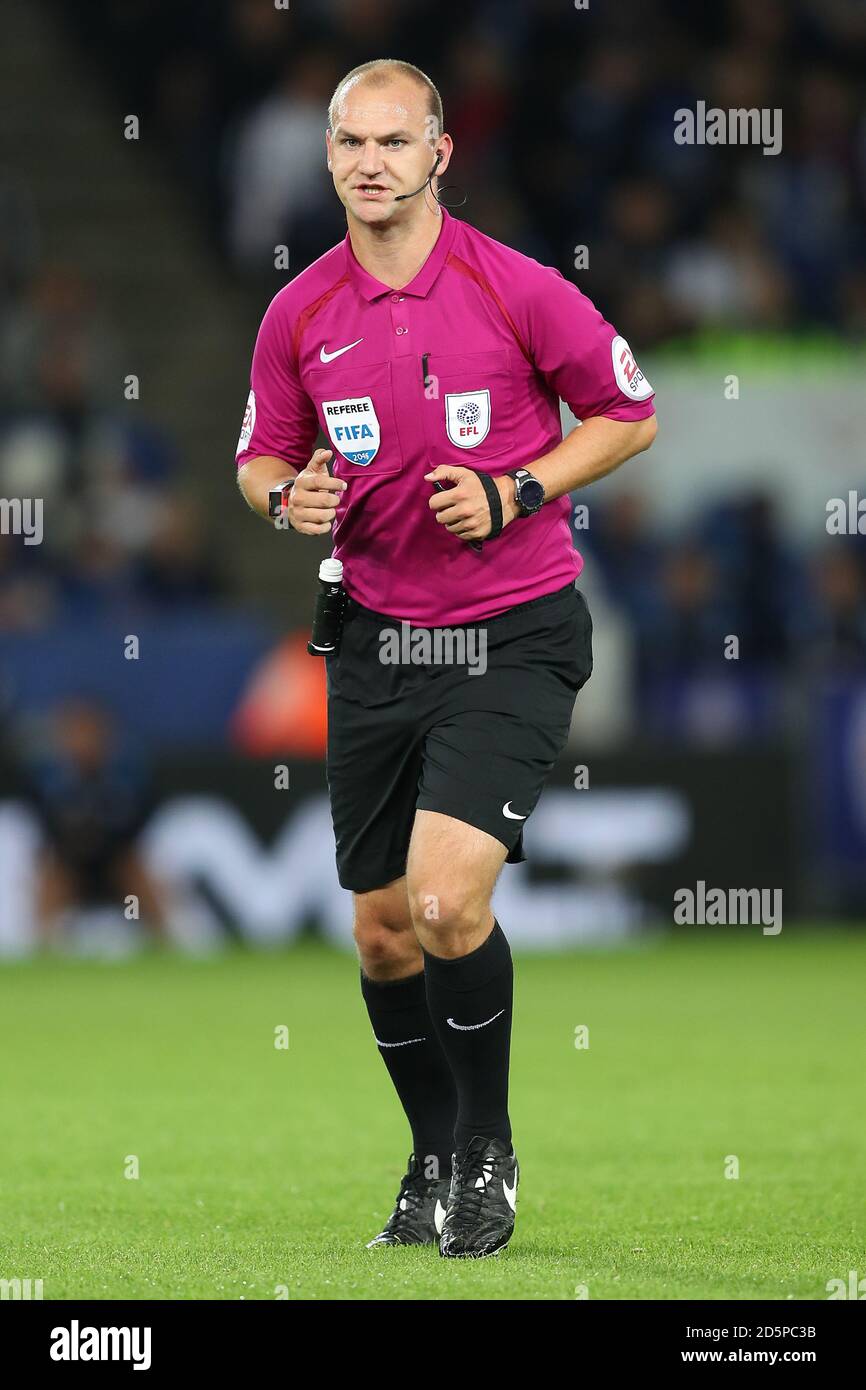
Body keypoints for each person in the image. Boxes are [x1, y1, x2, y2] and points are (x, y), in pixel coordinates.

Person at [235, 59, 657, 1258]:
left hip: (512, 632)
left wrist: (518, 485)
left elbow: (629, 413)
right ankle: (425, 1161)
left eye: (392, 141)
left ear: (437, 155)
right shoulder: (298, 312)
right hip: (375, 641)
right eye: (349, 144)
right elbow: (260, 458)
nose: (370, 162)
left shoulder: (517, 289)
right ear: (327, 158)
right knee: (378, 929)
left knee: (442, 900)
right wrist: (287, 500)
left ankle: (486, 1152)